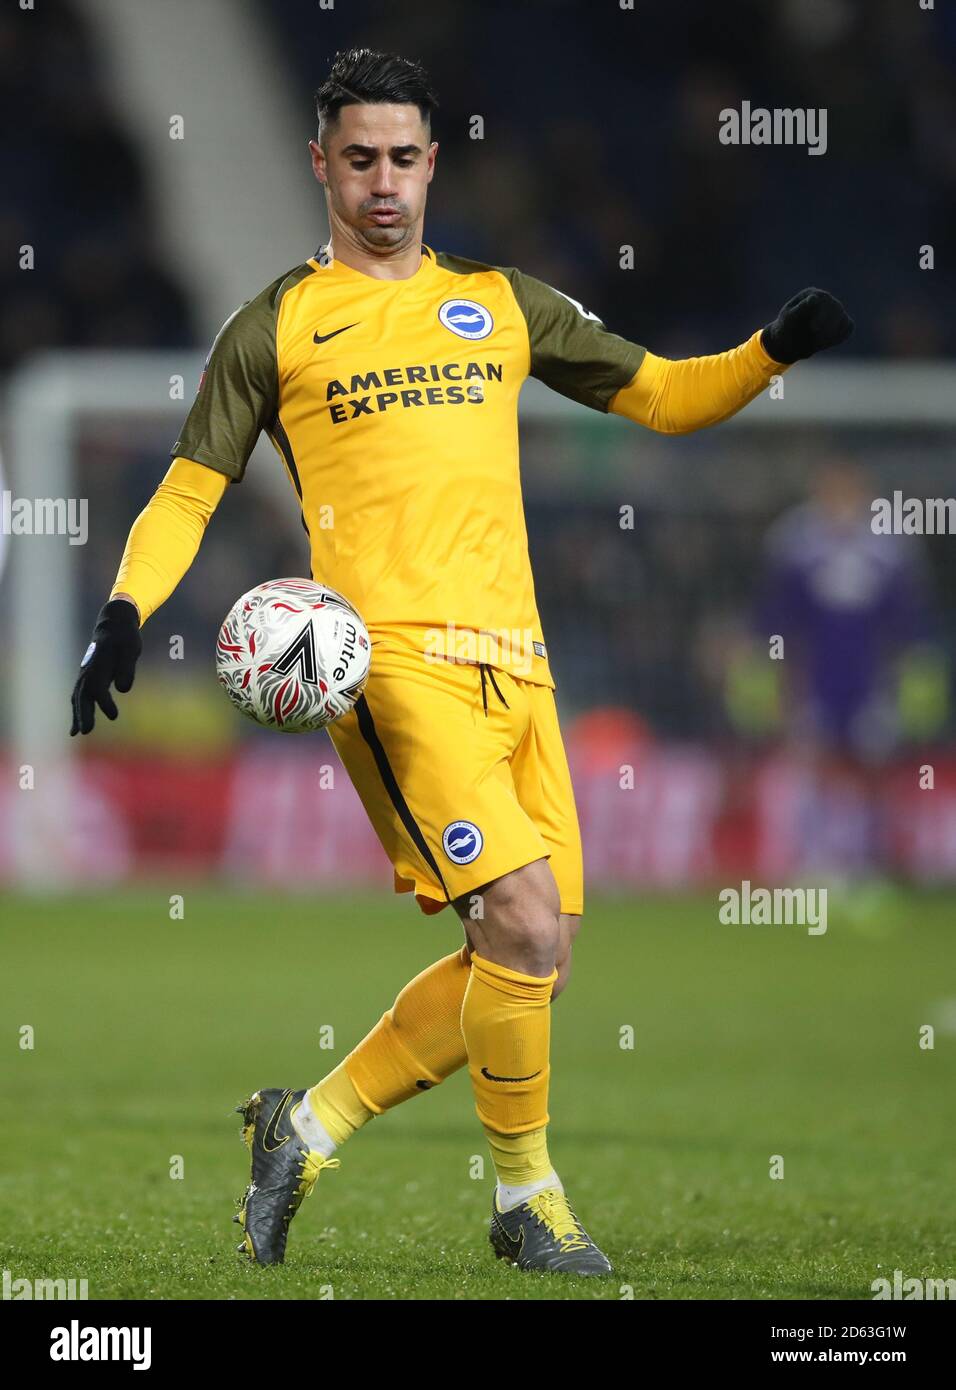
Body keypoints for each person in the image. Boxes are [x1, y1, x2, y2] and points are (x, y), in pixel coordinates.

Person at [69, 47, 852, 1275]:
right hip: (389, 667)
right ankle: (524, 1201)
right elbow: (189, 485)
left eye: (403, 158)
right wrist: (123, 607)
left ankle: (304, 1123)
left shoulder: (501, 301)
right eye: (358, 159)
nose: (382, 183)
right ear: (319, 162)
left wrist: (769, 350)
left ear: (432, 163)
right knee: (524, 924)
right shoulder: (276, 321)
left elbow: (662, 396)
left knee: (528, 957)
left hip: (518, 669)